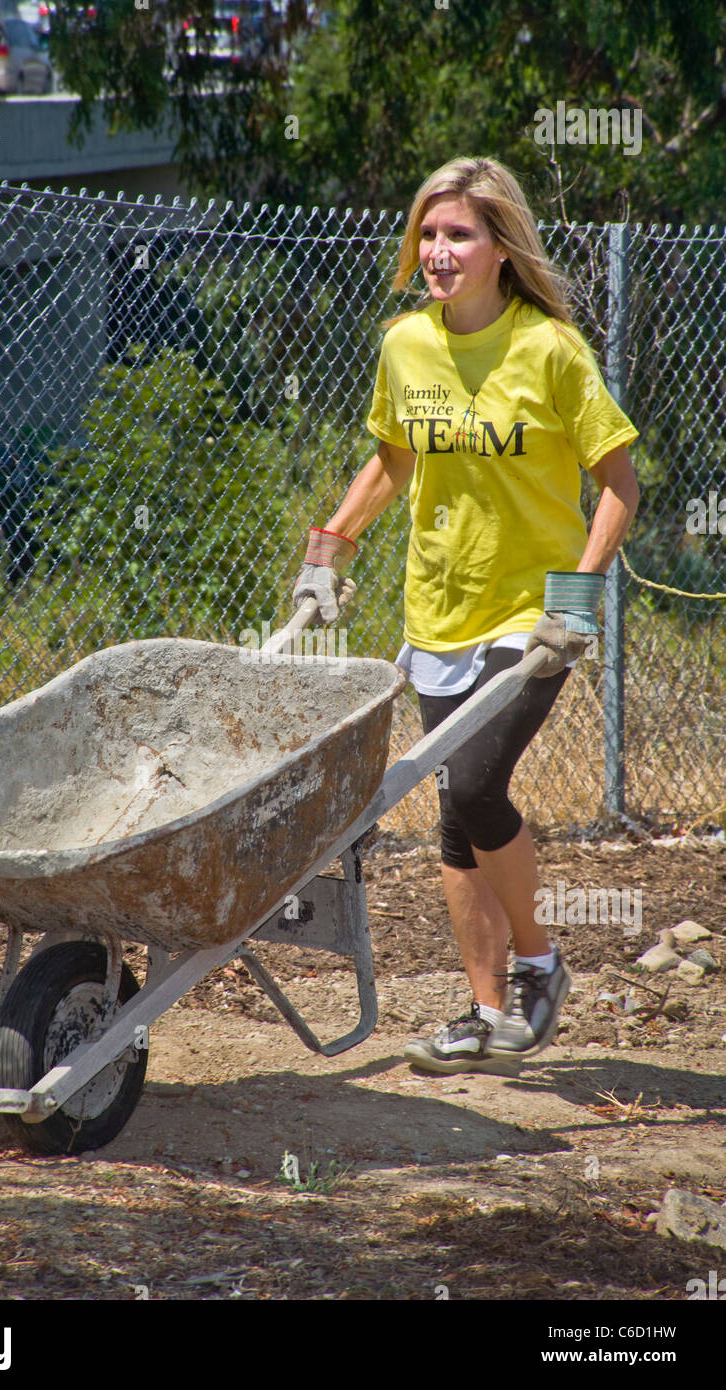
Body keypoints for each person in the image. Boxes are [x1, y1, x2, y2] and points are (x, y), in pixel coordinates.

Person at [291, 156, 640, 1075]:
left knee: (479, 785)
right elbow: (395, 457)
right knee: (455, 815)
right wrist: (330, 547)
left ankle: (540, 965)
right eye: (430, 235)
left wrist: (576, 597)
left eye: (461, 235)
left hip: (534, 617)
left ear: (501, 247)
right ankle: (486, 1016)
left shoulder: (551, 350)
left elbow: (619, 486)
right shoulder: (406, 344)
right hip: (436, 610)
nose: (440, 252)